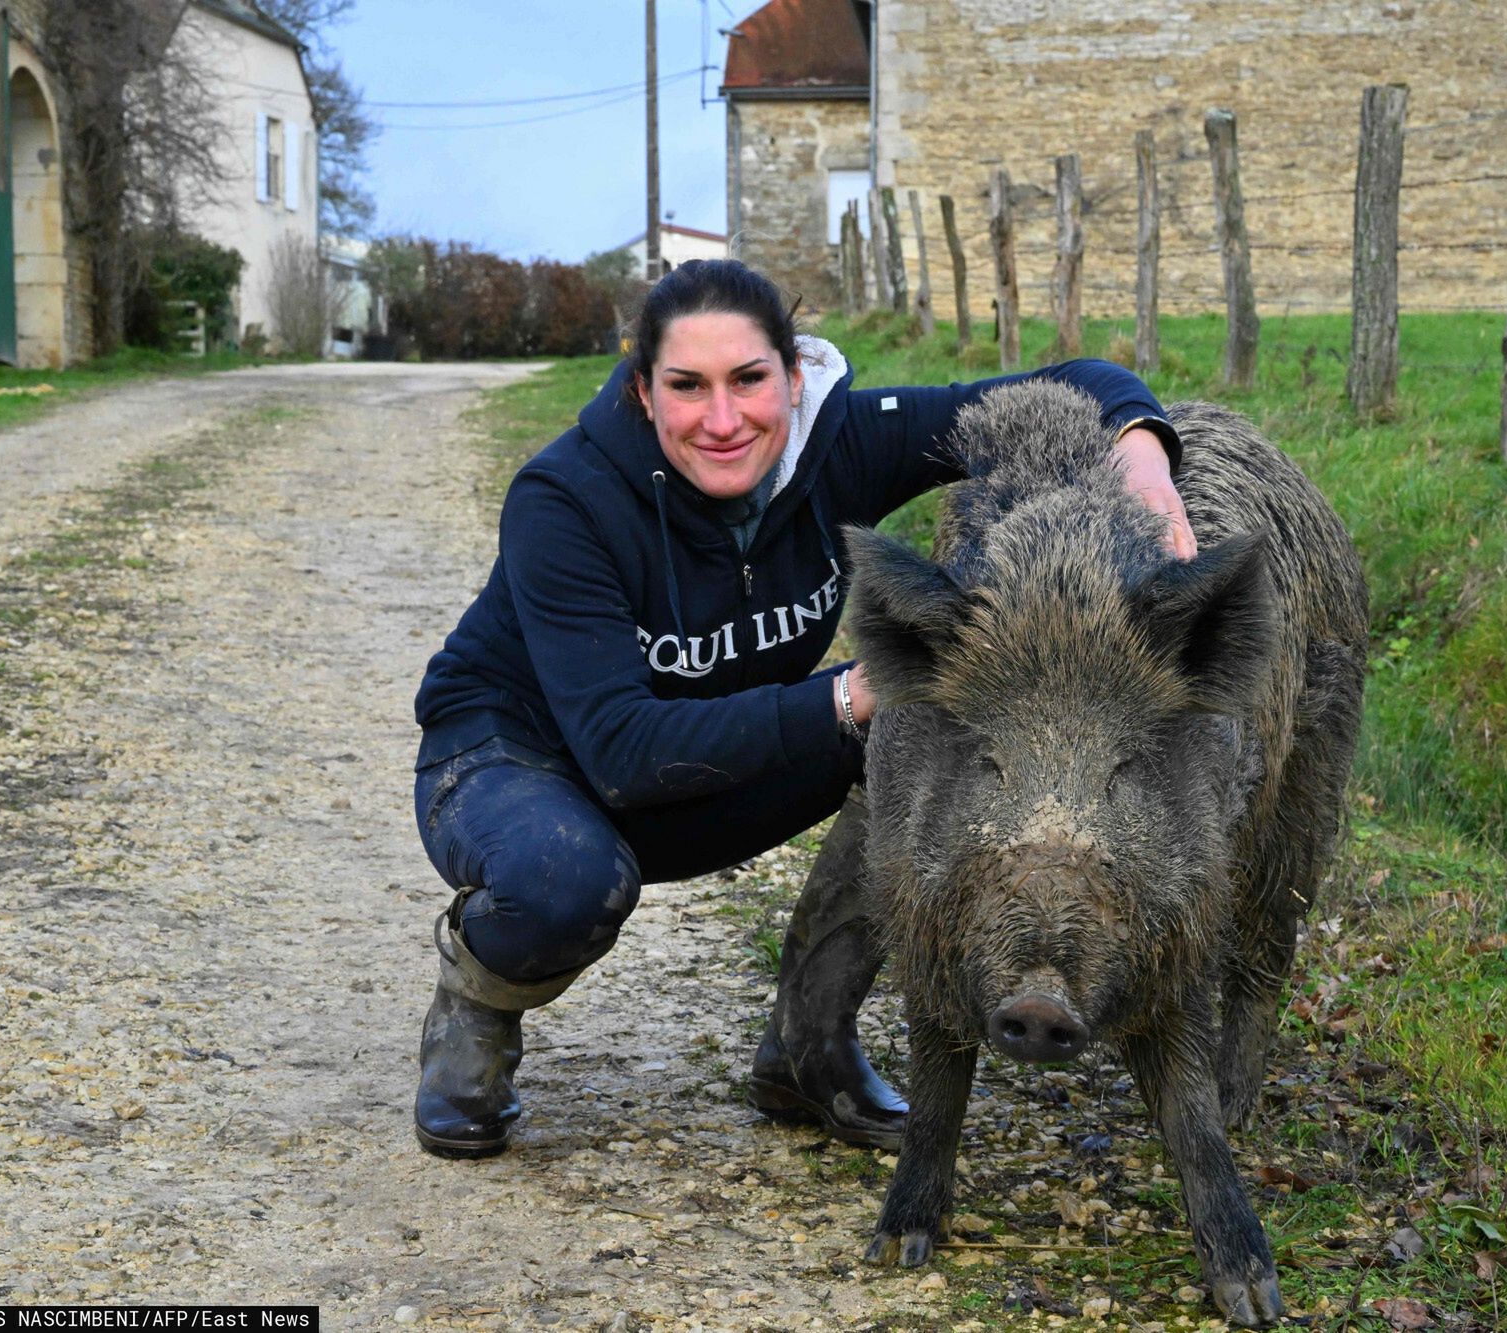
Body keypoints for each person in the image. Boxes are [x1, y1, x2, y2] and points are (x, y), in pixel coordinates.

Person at [410, 258, 1194, 1159]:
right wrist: (846, 693)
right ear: (642, 391)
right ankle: (475, 1006)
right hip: (522, 761)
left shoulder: (841, 443)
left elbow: (1072, 388)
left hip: (701, 762)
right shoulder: (565, 499)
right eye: (686, 386)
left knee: (921, 725)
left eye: (750, 380)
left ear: (793, 375)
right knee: (563, 876)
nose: (723, 418)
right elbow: (621, 751)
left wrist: (1139, 454)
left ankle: (810, 1041)